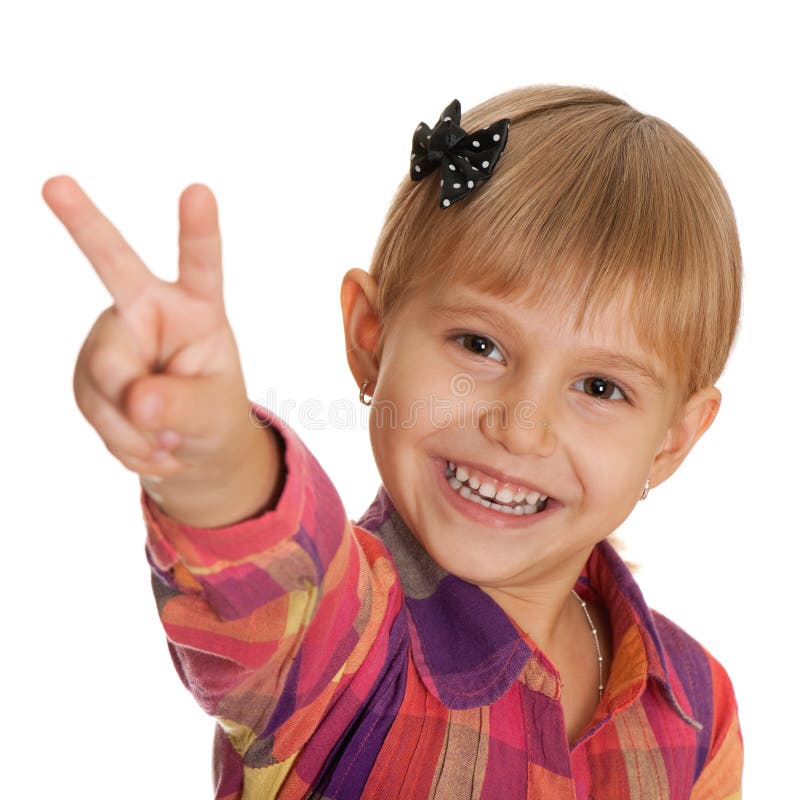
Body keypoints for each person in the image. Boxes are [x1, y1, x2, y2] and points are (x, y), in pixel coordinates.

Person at [44, 84, 743, 798]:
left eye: (600, 388)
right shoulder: (331, 638)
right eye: (480, 344)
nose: (521, 427)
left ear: (671, 441)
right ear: (369, 339)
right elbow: (268, 567)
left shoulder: (697, 710)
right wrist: (210, 449)